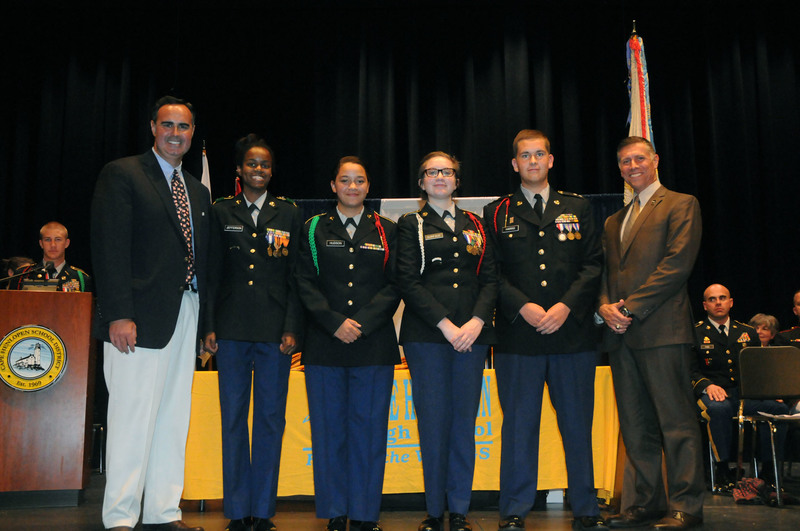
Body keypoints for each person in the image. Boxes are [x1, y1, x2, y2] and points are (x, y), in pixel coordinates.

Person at [91, 95, 209, 531]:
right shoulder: (122, 174)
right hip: (135, 320)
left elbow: (201, 259)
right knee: (132, 417)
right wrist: (119, 313)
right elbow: (110, 248)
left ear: (192, 133)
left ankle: (162, 512)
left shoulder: (196, 190)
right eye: (168, 125)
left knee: (172, 419)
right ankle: (121, 518)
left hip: (186, 311)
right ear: (153, 128)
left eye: (184, 127)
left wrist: (207, 324)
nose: (176, 133)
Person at [483, 130, 605, 531]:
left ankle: (586, 508)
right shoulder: (496, 212)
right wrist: (525, 306)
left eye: (540, 154)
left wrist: (565, 306)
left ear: (551, 160)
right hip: (519, 337)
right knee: (519, 426)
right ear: (514, 164)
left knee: (576, 425)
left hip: (573, 336)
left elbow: (592, 265)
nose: (533, 161)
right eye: (524, 156)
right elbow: (491, 273)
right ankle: (514, 509)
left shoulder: (578, 207)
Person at [597, 136, 704, 530]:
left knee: (676, 422)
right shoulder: (613, 221)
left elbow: (677, 266)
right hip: (621, 334)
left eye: (639, 158)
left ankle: (686, 506)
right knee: (635, 424)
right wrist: (605, 307)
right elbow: (607, 274)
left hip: (662, 330)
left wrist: (629, 307)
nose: (632, 166)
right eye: (625, 161)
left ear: (655, 160)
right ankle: (645, 502)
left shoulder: (681, 204)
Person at [202, 134, 302, 531]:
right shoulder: (221, 211)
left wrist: (293, 327)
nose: (258, 170)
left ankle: (262, 511)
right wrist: (208, 325)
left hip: (275, 333)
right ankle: (237, 510)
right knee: (232, 421)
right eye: (251, 164)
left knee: (270, 420)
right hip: (230, 331)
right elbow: (211, 274)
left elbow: (297, 276)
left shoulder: (289, 213)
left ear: (271, 172)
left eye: (264, 165)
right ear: (239, 170)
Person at [296, 157, 400, 531]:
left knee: (370, 433)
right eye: (345, 180)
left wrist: (363, 323)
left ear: (368, 187)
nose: (352, 187)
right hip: (325, 344)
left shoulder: (387, 229)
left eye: (359, 181)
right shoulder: (312, 229)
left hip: (373, 346)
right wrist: (334, 322)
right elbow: (303, 281)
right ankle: (336, 511)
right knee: (329, 433)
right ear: (333, 185)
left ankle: (366, 513)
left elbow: (395, 284)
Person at [396, 151, 497, 531]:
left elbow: (490, 279)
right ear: (421, 182)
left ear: (457, 180)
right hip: (429, 337)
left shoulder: (477, 223)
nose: (440, 177)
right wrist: (446, 326)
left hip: (472, 337)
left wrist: (474, 322)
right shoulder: (410, 224)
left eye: (447, 171)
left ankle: (459, 510)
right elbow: (408, 280)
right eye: (432, 172)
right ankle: (433, 511)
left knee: (463, 426)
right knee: (434, 424)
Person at [690, 285, 787, 491]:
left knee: (778, 409)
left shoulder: (747, 332)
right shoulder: (694, 332)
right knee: (719, 409)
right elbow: (688, 370)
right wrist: (707, 386)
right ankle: (722, 469)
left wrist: (771, 392)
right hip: (711, 393)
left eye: (722, 298)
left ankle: (769, 471)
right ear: (705, 305)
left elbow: (757, 369)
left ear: (730, 302)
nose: (718, 302)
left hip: (743, 395)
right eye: (712, 299)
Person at [8, 222, 92, 291]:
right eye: (47, 239)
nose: (53, 245)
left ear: (67, 243)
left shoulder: (80, 278)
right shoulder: (23, 275)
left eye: (58, 239)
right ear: (41, 244)